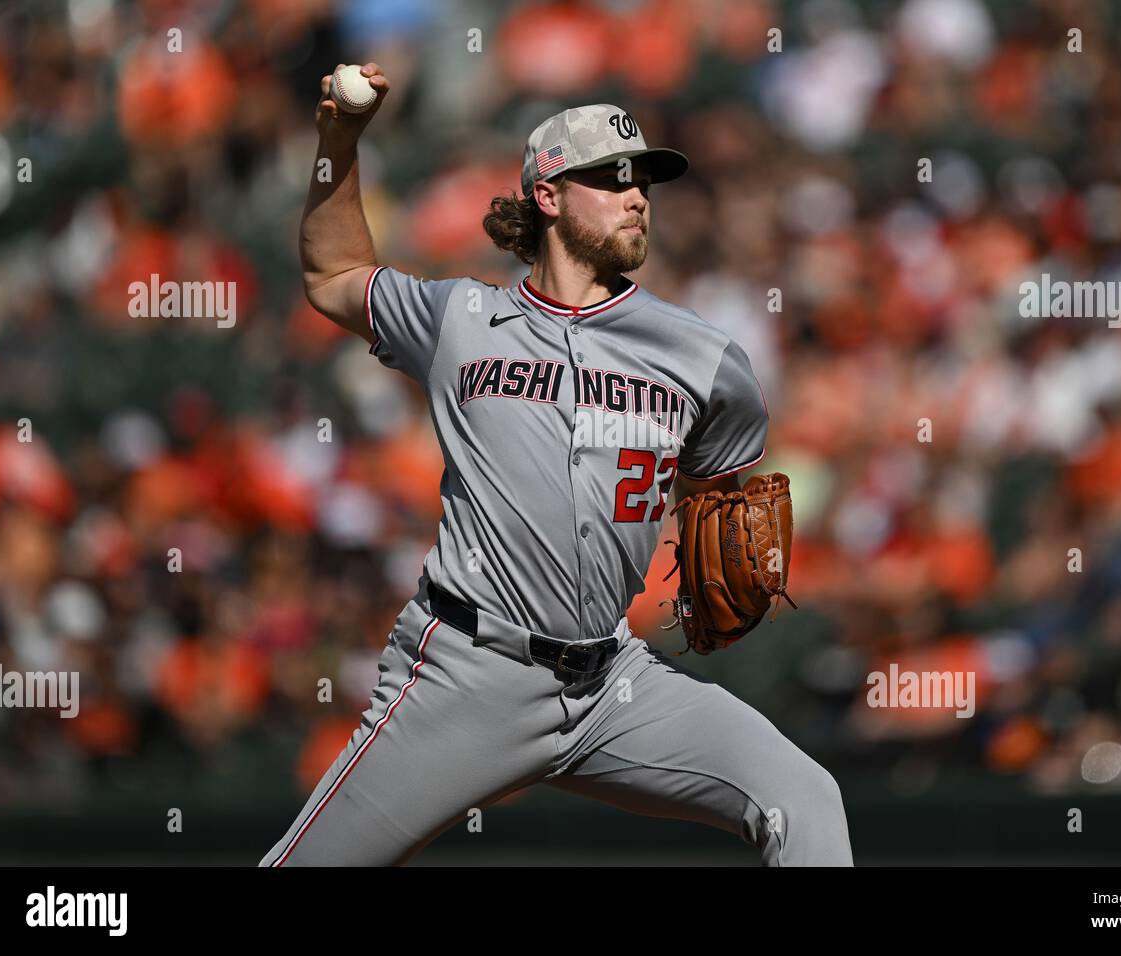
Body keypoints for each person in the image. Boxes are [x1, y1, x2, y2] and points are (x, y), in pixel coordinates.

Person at [260, 63, 853, 866]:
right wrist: (338, 139)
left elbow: (716, 497)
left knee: (804, 794)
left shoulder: (707, 360)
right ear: (548, 195)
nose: (637, 194)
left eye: (642, 178)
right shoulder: (462, 317)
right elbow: (333, 275)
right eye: (610, 178)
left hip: (612, 685)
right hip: (468, 673)